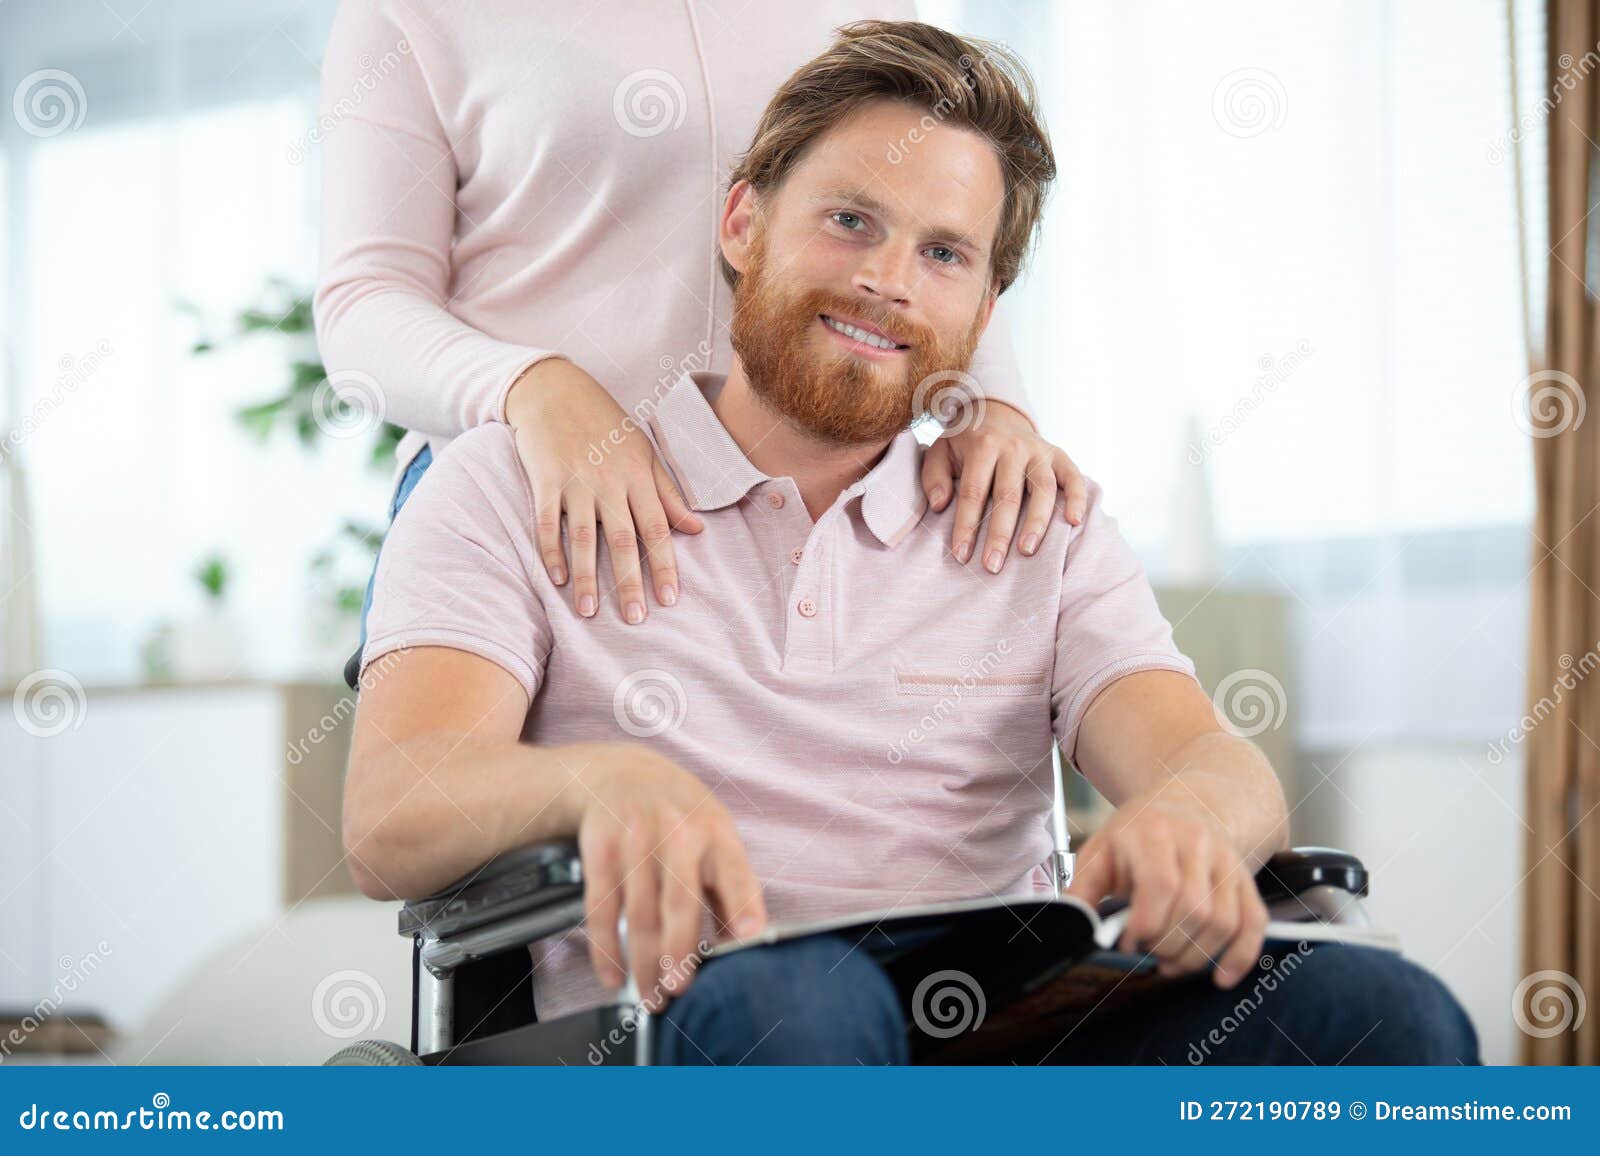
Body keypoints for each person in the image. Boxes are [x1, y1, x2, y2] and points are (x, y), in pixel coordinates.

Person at [341, 20, 1479, 1065]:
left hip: (1022, 1029)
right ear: (743, 223)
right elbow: (391, 813)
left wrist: (1188, 820)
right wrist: (600, 781)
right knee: (806, 1009)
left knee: (1390, 1015)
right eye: (849, 221)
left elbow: (1215, 765)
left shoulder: (1029, 518)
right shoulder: (505, 488)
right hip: (709, 1024)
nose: (887, 280)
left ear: (984, 314)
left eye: (944, 254)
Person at [314, 0, 1087, 675]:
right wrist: (538, 389)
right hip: (531, 497)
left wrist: (993, 406)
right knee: (472, 815)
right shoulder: (411, 9)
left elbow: (938, 216)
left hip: (792, 508)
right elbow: (364, 299)